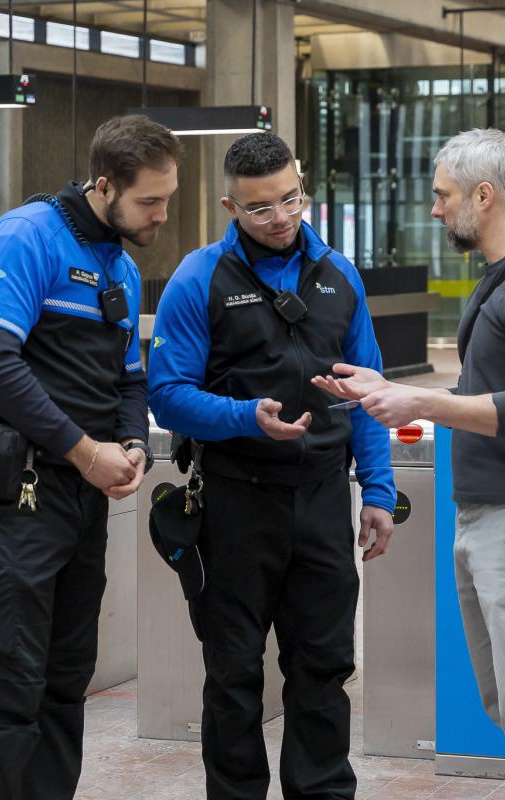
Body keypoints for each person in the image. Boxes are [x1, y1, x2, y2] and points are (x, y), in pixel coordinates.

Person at [314, 128, 505, 800]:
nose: (435, 210)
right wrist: (379, 394)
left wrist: (418, 400)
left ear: (484, 194)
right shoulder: (503, 280)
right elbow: (494, 394)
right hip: (490, 516)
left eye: (443, 196)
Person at [147, 132, 395, 800]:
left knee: (323, 668)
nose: (281, 217)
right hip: (234, 503)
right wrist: (240, 416)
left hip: (319, 501)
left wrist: (377, 488)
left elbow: (369, 390)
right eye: (261, 209)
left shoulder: (340, 276)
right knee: (232, 675)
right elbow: (166, 395)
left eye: (292, 199)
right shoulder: (199, 280)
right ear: (230, 205)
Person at [0, 114, 182, 799]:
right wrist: (84, 452)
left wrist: (132, 440)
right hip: (9, 494)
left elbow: (127, 376)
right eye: (149, 201)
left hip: (78, 501)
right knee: (8, 677)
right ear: (103, 185)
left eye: (167, 198)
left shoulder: (124, 267)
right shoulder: (26, 239)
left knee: (65, 675)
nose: (162, 214)